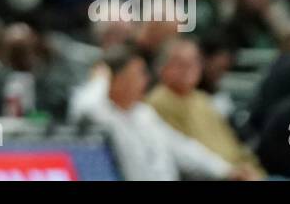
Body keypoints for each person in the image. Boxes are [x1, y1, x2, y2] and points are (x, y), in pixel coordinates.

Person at [68, 44, 251, 181]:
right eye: (137, 74)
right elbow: (83, 107)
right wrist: (101, 78)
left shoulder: (144, 113)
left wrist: (226, 170)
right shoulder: (104, 116)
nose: (145, 80)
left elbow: (183, 148)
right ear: (117, 79)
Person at [145, 38, 265, 177]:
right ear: (163, 68)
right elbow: (187, 156)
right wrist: (232, 172)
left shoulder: (202, 99)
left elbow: (233, 146)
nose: (189, 68)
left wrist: (251, 170)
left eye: (194, 62)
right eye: (181, 63)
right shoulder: (158, 102)